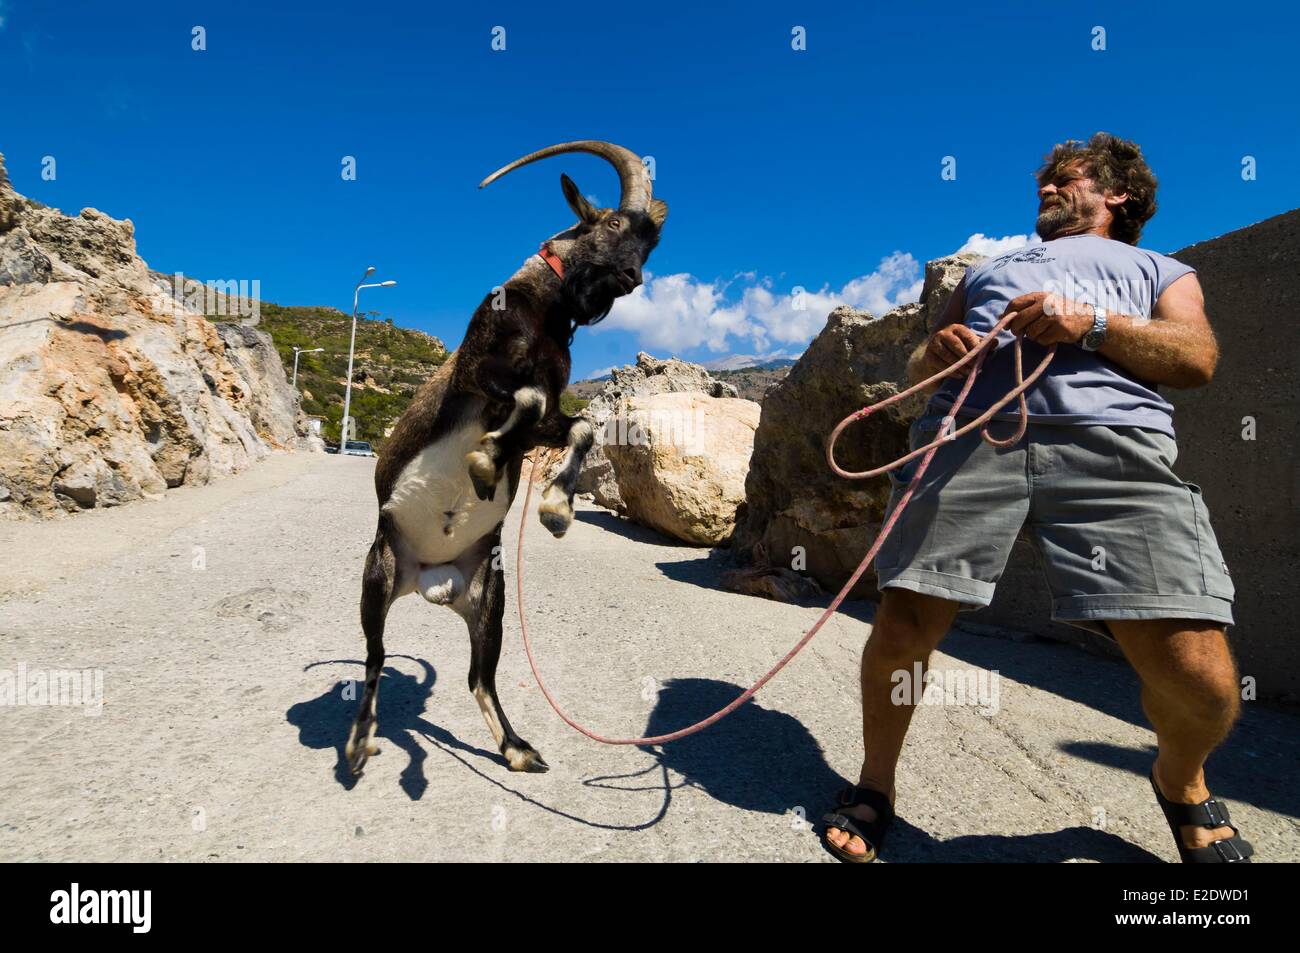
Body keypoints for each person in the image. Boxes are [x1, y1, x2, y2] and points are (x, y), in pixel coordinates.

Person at [822, 133, 1252, 864]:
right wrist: (938, 351)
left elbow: (1197, 356)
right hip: (967, 436)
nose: (1047, 188)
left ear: (1117, 193)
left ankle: (1179, 779)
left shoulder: (1158, 268)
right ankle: (875, 784)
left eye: (1067, 177)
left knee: (1204, 677)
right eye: (1043, 181)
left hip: (1112, 444)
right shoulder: (993, 267)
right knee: (902, 624)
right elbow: (915, 364)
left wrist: (1092, 322)